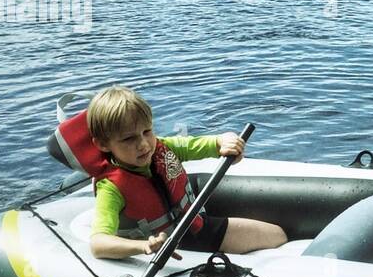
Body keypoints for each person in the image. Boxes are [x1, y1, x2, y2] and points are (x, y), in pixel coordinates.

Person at [84, 86, 286, 260]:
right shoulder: (110, 189)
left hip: (196, 230)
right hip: (166, 254)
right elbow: (98, 244)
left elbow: (198, 144)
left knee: (278, 235)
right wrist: (144, 246)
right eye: (128, 139)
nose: (143, 144)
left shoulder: (161, 148)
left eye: (147, 131)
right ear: (102, 144)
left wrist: (224, 141)